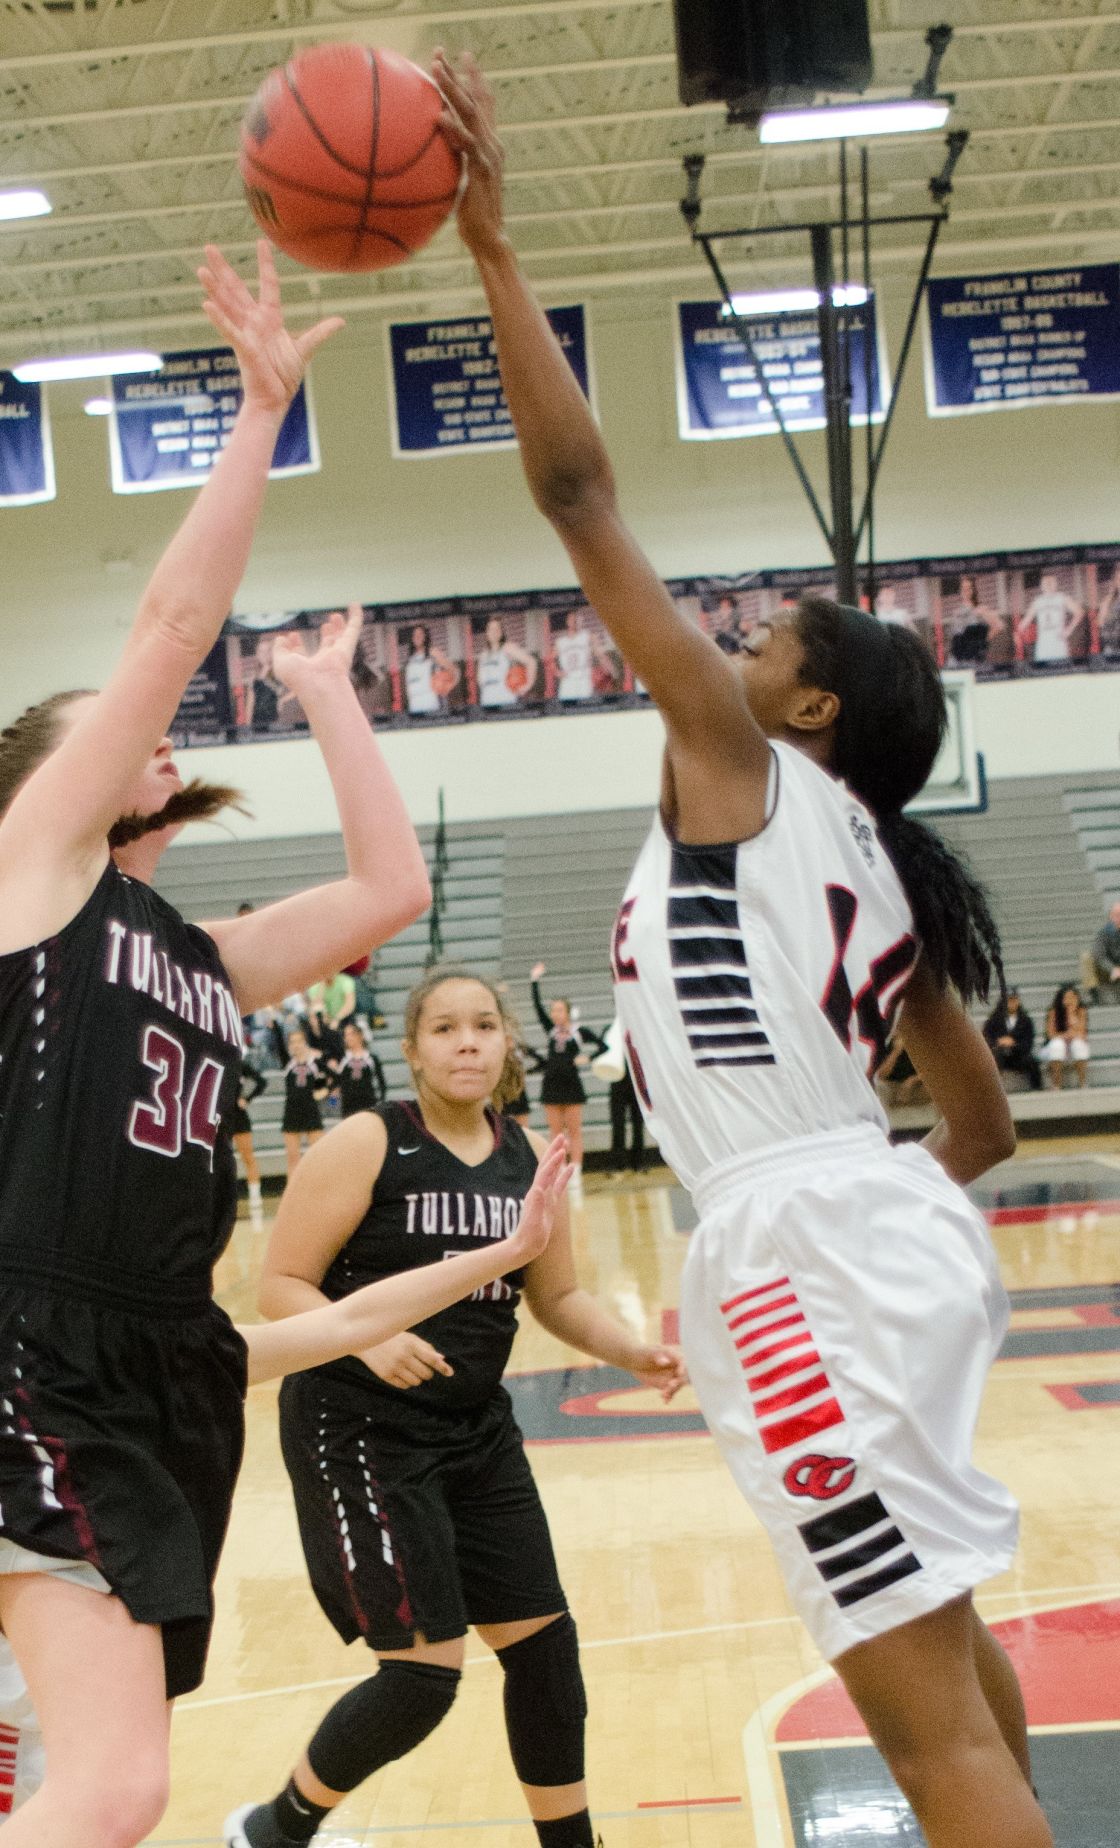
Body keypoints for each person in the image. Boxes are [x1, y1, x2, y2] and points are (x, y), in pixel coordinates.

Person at [434, 51, 1051, 1848]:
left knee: (917, 1716)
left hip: (806, 1231)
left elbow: (575, 497)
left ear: (817, 703)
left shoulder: (753, 771)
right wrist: (866, 1217)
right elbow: (990, 1126)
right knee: (939, 1639)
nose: (734, 644)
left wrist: (491, 247)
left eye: (768, 634)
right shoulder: (870, 854)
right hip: (861, 1223)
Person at [0, 239, 447, 1848]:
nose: (160, 741)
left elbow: (392, 889)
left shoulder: (193, 952)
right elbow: (175, 621)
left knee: (69, 1771)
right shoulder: (34, 871)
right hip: (32, 1340)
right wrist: (259, 415)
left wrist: (328, 693)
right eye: (121, 733)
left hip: (157, 1357)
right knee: (115, 1786)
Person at [224, 968, 684, 1848]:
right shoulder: (368, 1142)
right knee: (421, 1679)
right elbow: (280, 1283)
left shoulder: (524, 1156)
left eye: (482, 1026)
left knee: (545, 1652)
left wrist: (633, 1349)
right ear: (413, 1049)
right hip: (358, 1426)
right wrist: (364, 1338)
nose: (465, 1041)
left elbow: (556, 1296)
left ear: (508, 1042)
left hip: (475, 1431)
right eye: (443, 1028)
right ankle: (274, 1831)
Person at [0, 1147, 571, 1822]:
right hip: (41, 1620)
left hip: (57, 1656)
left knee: (86, 1794)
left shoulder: (159, 1354)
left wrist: (513, 1250)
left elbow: (345, 1322)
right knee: (110, 1794)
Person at [529, 962, 605, 1198]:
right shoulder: (551, 1030)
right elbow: (537, 1009)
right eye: (553, 1011)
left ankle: (576, 1173)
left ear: (568, 1012)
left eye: (559, 1010)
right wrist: (534, 982)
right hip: (551, 1084)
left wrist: (588, 1058)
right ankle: (559, 1170)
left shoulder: (579, 1032)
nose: (554, 1014)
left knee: (574, 1131)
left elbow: (604, 1046)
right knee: (556, 1133)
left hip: (572, 1086)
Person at [281, 1027, 328, 1173]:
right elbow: (277, 1039)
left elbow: (337, 1077)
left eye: (299, 1041)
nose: (296, 1045)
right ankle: (293, 1195)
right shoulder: (287, 1063)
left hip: (311, 1110)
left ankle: (320, 1193)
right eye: (292, 1042)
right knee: (293, 1158)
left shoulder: (315, 1062)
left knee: (318, 1156)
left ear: (305, 1043)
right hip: (292, 1110)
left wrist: (324, 1090)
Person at [982, 990, 1042, 1092]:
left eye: (1014, 1000)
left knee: (1032, 1062)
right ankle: (992, 1090)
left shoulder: (1025, 1021)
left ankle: (1037, 1088)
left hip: (1018, 1055)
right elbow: (986, 1039)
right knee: (994, 1060)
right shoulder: (993, 1020)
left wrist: (1014, 1043)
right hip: (999, 1053)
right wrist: (999, 1042)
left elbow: (1028, 1042)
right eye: (1009, 1000)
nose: (1012, 1003)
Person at [329, 1018, 387, 1117]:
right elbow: (336, 1083)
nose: (348, 1038)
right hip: (348, 1106)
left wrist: (381, 1102)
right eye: (346, 1035)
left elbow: (381, 1082)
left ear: (360, 1035)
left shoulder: (371, 1058)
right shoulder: (343, 1059)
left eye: (351, 1034)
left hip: (368, 1104)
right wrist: (333, 1103)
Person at [476, 615, 537, 708]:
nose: (494, 632)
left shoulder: (508, 648)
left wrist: (528, 685)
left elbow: (531, 661)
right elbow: (480, 680)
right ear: (487, 632)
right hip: (486, 700)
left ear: (501, 632)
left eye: (497, 629)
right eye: (491, 629)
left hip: (506, 699)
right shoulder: (483, 655)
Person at [233, 1057, 268, 1217]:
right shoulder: (215, 1060)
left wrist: (247, 1098)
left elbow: (261, 1082)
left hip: (238, 1116)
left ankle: (255, 1197)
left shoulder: (239, 1064)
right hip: (220, 1116)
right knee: (220, 1159)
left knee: (248, 1156)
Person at [1021, 572, 1081, 665]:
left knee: (1062, 670)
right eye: (1046, 583)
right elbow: (1025, 621)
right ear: (1041, 585)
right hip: (1043, 644)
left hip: (1059, 642)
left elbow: (1079, 612)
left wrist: (1069, 630)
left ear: (1056, 584)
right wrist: (1018, 632)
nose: (1048, 585)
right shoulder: (1037, 601)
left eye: (1051, 582)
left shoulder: (1062, 598)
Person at [402, 623, 459, 716]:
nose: (417, 637)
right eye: (415, 635)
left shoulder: (433, 652)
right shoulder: (409, 660)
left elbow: (455, 671)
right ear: (411, 638)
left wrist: (446, 688)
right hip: (414, 705)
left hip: (431, 703)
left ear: (425, 636)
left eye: (420, 634)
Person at [1042, 985, 1090, 1090]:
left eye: (1072, 998)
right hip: (1057, 1044)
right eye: (1067, 998)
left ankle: (1083, 1083)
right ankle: (1056, 1084)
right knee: (1057, 1045)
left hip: (1073, 1043)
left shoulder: (1081, 1011)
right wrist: (1067, 1035)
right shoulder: (1053, 1011)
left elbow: (1082, 1034)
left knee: (1079, 1045)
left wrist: (1071, 1015)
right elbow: (1051, 1034)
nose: (1070, 1001)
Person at [1086, 899, 1120, 1002]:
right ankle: (1093, 992)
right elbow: (1099, 955)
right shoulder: (1103, 933)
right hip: (1108, 968)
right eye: (1116, 915)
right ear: (1110, 917)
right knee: (1087, 958)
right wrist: (1112, 969)